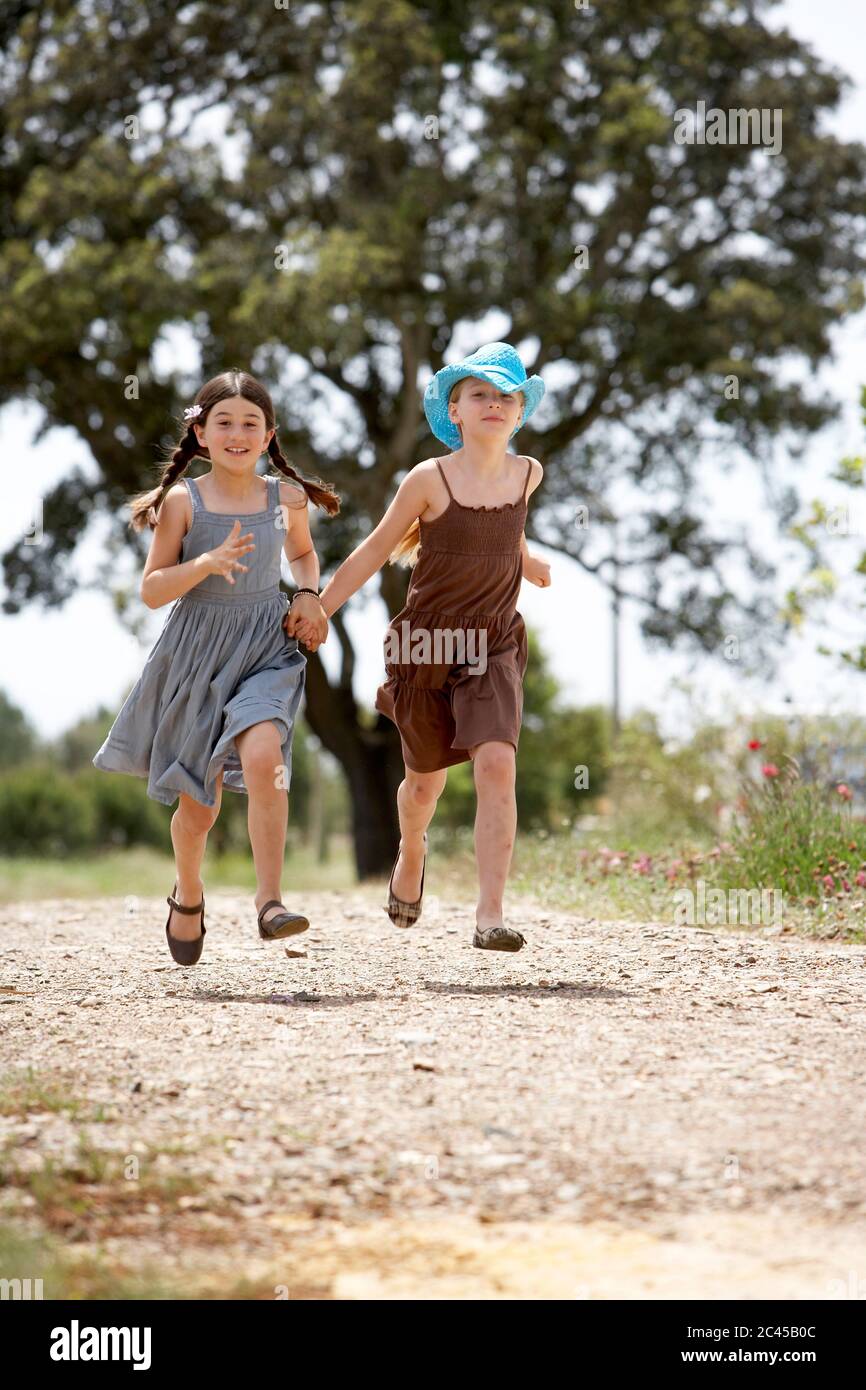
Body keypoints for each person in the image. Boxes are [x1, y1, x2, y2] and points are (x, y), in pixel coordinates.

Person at [286, 342, 550, 950]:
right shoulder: (429, 479)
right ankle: (411, 851)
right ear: (454, 411)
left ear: (518, 414)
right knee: (424, 785)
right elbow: (376, 548)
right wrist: (320, 607)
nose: (493, 403)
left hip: (493, 643)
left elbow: (509, 530)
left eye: (505, 395)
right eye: (478, 393)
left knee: (497, 762)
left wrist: (528, 562)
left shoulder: (527, 474)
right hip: (427, 645)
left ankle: (490, 915)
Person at [93, 368, 336, 965]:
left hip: (263, 650)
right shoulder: (184, 502)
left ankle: (270, 902)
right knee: (199, 810)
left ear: (269, 433)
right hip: (198, 657)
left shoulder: (286, 498)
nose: (236, 432)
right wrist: (204, 563)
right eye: (222, 422)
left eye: (250, 422)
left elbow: (303, 554)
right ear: (200, 434)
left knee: (264, 757)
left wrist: (308, 595)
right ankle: (189, 892)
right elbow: (152, 589)